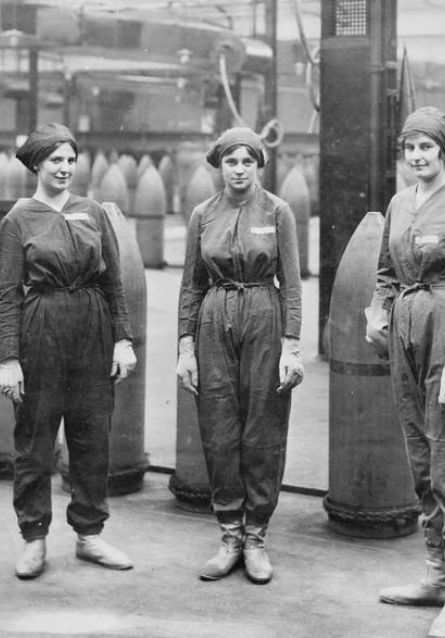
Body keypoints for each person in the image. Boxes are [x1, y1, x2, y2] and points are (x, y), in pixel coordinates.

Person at [365, 107, 445, 638]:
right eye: (410, 148)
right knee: (421, 460)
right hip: (406, 337)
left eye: (427, 148)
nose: (417, 157)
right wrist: (379, 313)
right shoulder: (400, 203)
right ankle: (436, 574)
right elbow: (384, 271)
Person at [0, 123, 138, 580]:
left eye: (71, 160)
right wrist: (10, 359)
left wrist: (122, 338)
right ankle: (34, 538)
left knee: (92, 438)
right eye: (56, 160)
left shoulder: (92, 211)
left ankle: (89, 535)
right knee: (34, 443)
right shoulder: (18, 220)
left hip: (91, 331)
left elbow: (113, 280)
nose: (65, 168)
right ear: (37, 164)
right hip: (41, 332)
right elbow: (7, 294)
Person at [176, 127, 304, 585]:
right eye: (231, 161)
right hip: (213, 319)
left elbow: (291, 284)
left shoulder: (278, 211)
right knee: (219, 428)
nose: (238, 169)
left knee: (263, 428)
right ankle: (229, 533)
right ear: (220, 166)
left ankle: (256, 537)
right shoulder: (202, 215)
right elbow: (191, 285)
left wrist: (291, 346)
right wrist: (185, 347)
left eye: (247, 161)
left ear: (258, 166)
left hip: (263, 317)